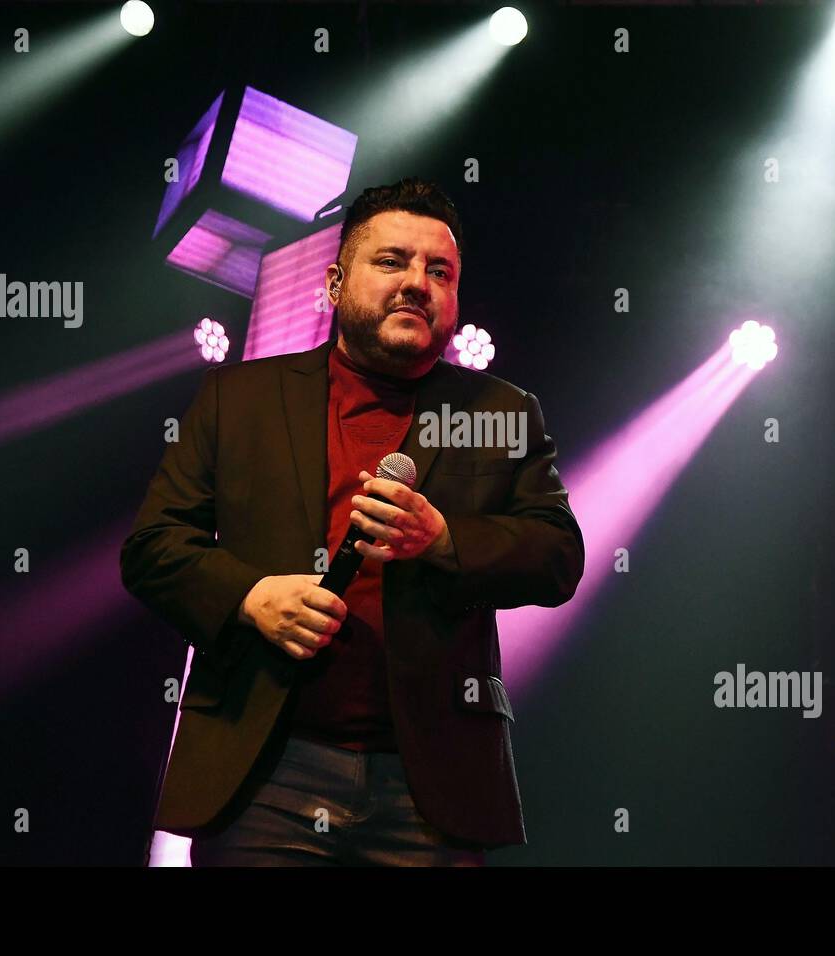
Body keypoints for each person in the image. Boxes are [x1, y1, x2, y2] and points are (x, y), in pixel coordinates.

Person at [120, 177, 584, 866]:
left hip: (429, 785)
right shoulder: (239, 397)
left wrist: (446, 539)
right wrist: (251, 598)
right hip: (266, 772)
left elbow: (558, 555)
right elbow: (153, 548)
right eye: (392, 261)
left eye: (439, 271)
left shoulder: (503, 411)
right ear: (336, 282)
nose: (417, 284)